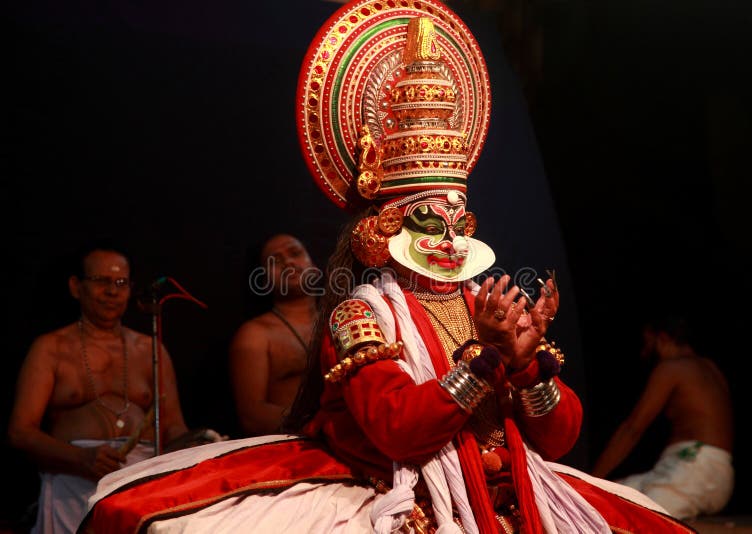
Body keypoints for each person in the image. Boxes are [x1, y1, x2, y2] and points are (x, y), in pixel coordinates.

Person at [81, 3, 697, 532]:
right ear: (385, 227)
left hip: (512, 494)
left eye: (457, 220)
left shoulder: (485, 306)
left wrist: (527, 361)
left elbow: (559, 440)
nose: (449, 239)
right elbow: (399, 430)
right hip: (401, 491)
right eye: (429, 220)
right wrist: (486, 359)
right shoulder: (360, 314)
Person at [6, 241, 219, 534]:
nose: (112, 291)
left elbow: (172, 427)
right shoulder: (51, 348)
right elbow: (20, 432)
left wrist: (198, 444)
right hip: (72, 479)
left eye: (121, 283)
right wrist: (81, 459)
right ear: (76, 287)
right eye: (101, 281)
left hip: (141, 481)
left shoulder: (150, 349)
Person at [591, 315, 734, 520]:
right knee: (606, 497)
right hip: (711, 474)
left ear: (663, 339)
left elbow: (632, 429)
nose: (644, 352)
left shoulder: (672, 368)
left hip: (695, 470)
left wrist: (591, 480)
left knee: (634, 518)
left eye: (647, 343)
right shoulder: (711, 367)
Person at [228, 233, 320, 435]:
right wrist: (319, 425)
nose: (288, 262)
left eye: (295, 253)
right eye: (275, 261)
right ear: (264, 280)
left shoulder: (340, 318)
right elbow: (252, 416)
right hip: (294, 445)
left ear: (313, 265)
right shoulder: (255, 335)